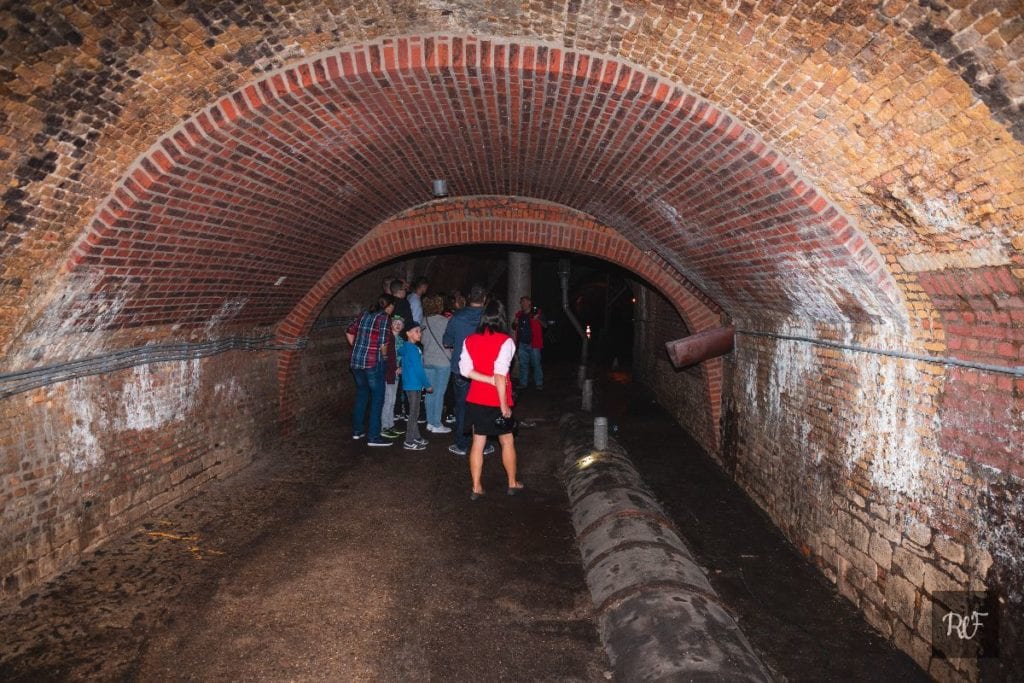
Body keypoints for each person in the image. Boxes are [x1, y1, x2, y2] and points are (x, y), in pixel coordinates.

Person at [460, 299, 524, 500]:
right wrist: (504, 404)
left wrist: (485, 378)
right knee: (507, 441)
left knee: (477, 443)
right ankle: (512, 483)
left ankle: (476, 487)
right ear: (501, 317)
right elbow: (499, 374)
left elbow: (465, 370)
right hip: (496, 400)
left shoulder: (469, 339)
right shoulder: (506, 341)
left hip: (476, 399)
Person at [442, 284, 494, 457]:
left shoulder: (457, 317)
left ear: (469, 298)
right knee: (482, 406)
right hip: (484, 370)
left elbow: (447, 340)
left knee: (462, 406)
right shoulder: (489, 318)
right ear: (484, 299)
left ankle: (462, 444)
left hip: (461, 369)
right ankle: (484, 445)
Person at [345, 294, 396, 447]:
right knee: (377, 398)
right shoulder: (385, 318)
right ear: (389, 306)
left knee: (362, 394)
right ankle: (374, 437)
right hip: (373, 362)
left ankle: (357, 431)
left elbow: (349, 331)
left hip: (355, 362)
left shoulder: (364, 314)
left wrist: (357, 348)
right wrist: (385, 357)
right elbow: (382, 343)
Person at [421, 295, 452, 434]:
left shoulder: (423, 321)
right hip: (443, 361)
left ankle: (430, 422)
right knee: (439, 393)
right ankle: (437, 424)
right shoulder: (445, 322)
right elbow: (450, 340)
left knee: (430, 392)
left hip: (427, 360)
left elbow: (421, 340)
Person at [398, 321, 431, 451]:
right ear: (408, 333)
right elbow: (418, 369)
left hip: (410, 384)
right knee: (413, 413)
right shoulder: (412, 349)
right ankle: (408, 440)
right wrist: (427, 384)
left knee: (414, 412)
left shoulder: (407, 347)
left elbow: (401, 356)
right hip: (414, 384)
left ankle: (416, 436)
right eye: (416, 331)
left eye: (420, 331)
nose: (420, 333)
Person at [380, 315, 405, 440]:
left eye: (400, 323)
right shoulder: (387, 338)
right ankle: (385, 426)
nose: (397, 325)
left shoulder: (401, 340)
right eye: (395, 322)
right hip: (388, 374)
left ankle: (390, 425)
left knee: (393, 400)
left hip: (396, 375)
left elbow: (403, 357)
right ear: (391, 325)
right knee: (388, 400)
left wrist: (401, 367)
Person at [514, 296, 546, 390]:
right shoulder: (519, 314)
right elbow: (513, 326)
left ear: (529, 303)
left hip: (534, 344)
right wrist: (514, 323)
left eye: (524, 302)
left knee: (536, 364)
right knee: (523, 365)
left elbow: (545, 325)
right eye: (521, 302)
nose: (522, 304)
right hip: (522, 344)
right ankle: (523, 384)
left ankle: (539, 383)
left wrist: (538, 319)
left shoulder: (537, 313)